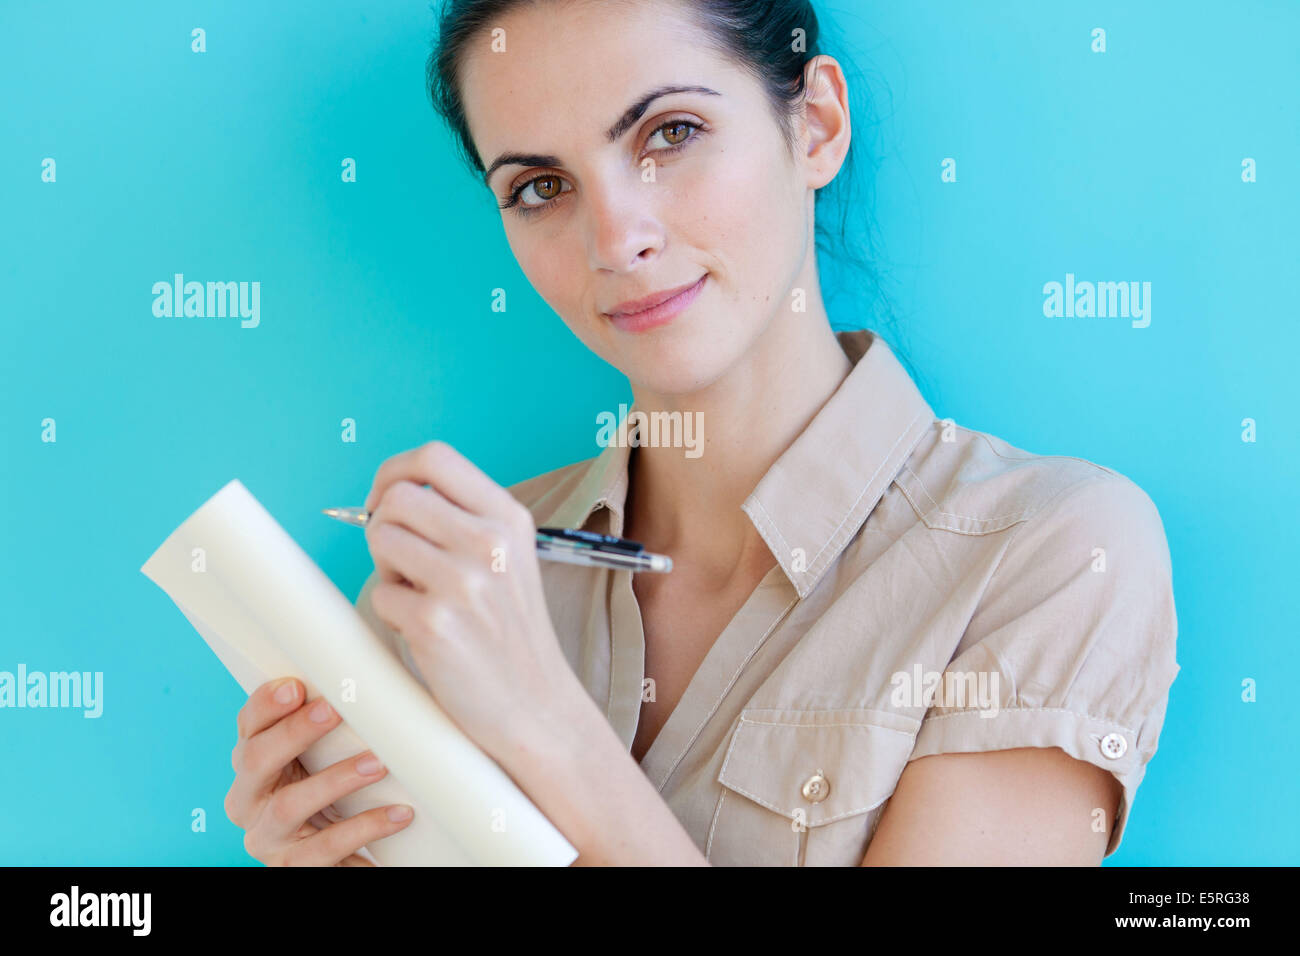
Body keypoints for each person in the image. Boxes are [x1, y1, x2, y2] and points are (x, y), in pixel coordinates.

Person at [224, 0, 1179, 866]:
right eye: (540, 187)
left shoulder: (1054, 550)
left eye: (670, 133)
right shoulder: (448, 586)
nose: (616, 238)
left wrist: (542, 723)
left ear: (815, 124)